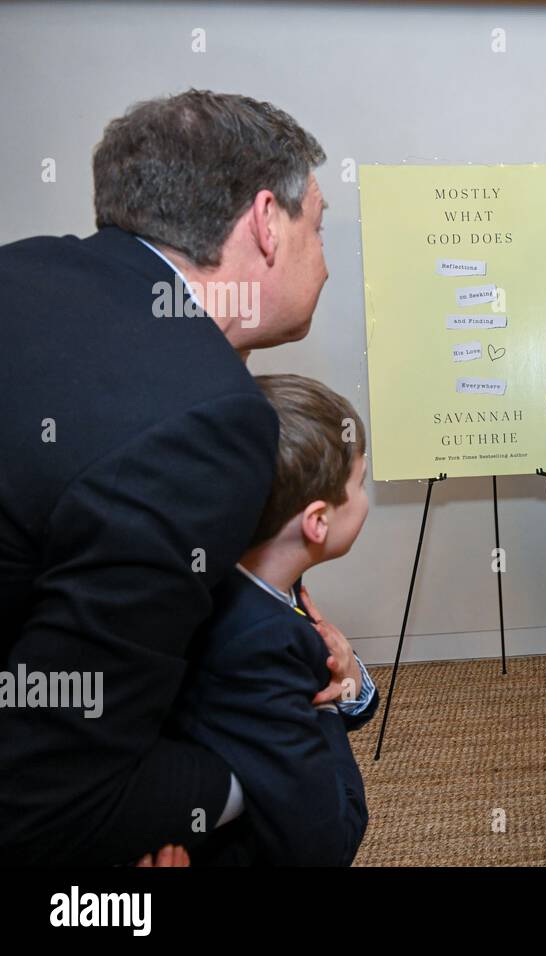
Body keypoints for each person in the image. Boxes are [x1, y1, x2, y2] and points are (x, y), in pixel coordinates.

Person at [0, 89, 335, 865]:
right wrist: (261, 766)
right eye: (318, 228)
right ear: (264, 222)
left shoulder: (27, 267)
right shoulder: (204, 416)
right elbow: (53, 788)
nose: (323, 258)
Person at [172, 374, 377, 864]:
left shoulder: (269, 586)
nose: (366, 497)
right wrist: (322, 708)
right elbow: (329, 841)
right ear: (318, 521)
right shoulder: (262, 637)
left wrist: (346, 678)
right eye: (360, 483)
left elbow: (353, 701)